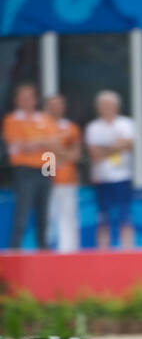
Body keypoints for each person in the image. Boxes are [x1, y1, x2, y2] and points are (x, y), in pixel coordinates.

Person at [4, 82, 55, 249]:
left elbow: (54, 144)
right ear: (17, 101)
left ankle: (43, 250)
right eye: (23, 98)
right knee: (22, 212)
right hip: (24, 170)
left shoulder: (44, 118)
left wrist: (34, 143)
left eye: (30, 98)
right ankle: (15, 251)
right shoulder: (12, 120)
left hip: (46, 168)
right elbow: (18, 145)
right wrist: (41, 142)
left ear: (35, 100)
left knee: (44, 214)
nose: (27, 101)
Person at [85, 89, 135, 248]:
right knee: (103, 216)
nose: (106, 108)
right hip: (102, 178)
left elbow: (128, 145)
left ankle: (128, 251)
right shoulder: (93, 127)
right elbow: (94, 154)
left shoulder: (126, 123)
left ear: (116, 106)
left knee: (125, 215)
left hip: (122, 177)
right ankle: (103, 251)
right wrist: (116, 146)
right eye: (103, 105)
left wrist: (104, 148)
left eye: (109, 105)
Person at [43, 94, 81, 252]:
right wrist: (59, 153)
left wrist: (56, 152)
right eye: (52, 105)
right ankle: (47, 249)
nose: (55, 108)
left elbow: (75, 155)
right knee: (47, 216)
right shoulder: (42, 125)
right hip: (47, 178)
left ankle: (69, 250)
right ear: (46, 107)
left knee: (68, 216)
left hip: (67, 178)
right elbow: (44, 154)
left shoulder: (71, 128)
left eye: (58, 105)